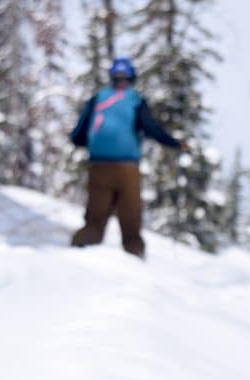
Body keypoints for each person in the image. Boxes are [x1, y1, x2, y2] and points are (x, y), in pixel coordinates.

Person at [69, 57, 187, 259]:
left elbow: (78, 134)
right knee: (130, 219)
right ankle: (136, 259)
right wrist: (175, 143)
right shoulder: (134, 99)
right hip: (127, 168)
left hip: (99, 166)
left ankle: (77, 258)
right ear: (132, 77)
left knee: (94, 221)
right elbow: (151, 128)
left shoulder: (98, 98)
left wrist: (89, 144)